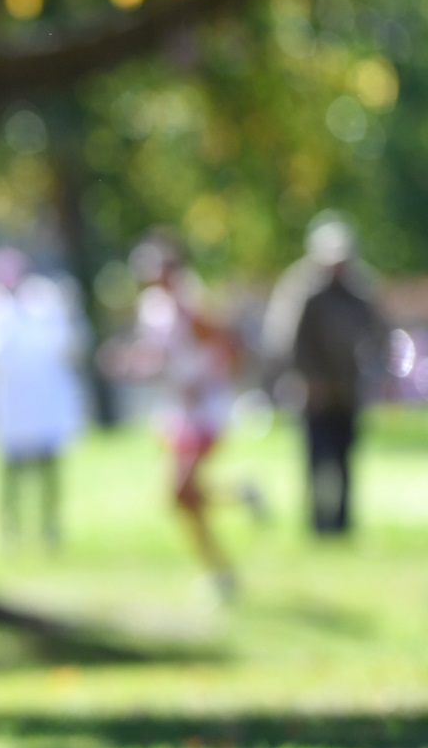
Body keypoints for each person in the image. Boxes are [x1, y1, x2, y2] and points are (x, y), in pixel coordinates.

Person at [102, 231, 247, 598]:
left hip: (203, 411)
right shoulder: (154, 307)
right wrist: (130, 363)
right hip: (179, 410)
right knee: (184, 497)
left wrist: (206, 383)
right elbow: (160, 358)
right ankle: (226, 544)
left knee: (181, 490)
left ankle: (221, 572)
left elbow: (226, 345)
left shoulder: (190, 301)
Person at [263, 217, 391, 536]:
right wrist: (309, 379)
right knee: (317, 462)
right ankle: (318, 526)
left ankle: (343, 525)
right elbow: (287, 340)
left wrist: (377, 369)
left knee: (345, 459)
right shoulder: (302, 287)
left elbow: (380, 333)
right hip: (312, 392)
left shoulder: (360, 286)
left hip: (348, 389)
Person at [0, 247, 87, 549]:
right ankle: (9, 531)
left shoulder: (46, 302)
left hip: (44, 399)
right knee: (10, 469)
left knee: (48, 467)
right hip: (7, 403)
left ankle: (49, 528)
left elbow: (65, 345)